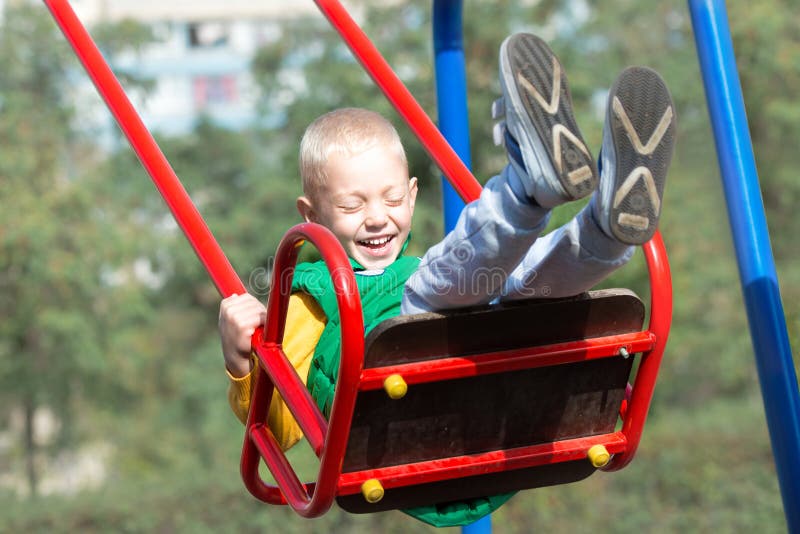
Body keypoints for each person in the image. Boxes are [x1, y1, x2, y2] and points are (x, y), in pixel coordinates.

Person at [219, 32, 676, 527]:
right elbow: (282, 428)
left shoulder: (421, 270)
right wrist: (243, 360)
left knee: (522, 289)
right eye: (352, 206)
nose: (377, 218)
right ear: (310, 216)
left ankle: (604, 232)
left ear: (412, 197)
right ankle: (527, 190)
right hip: (396, 442)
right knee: (438, 291)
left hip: (498, 427)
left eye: (392, 200)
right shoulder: (310, 295)